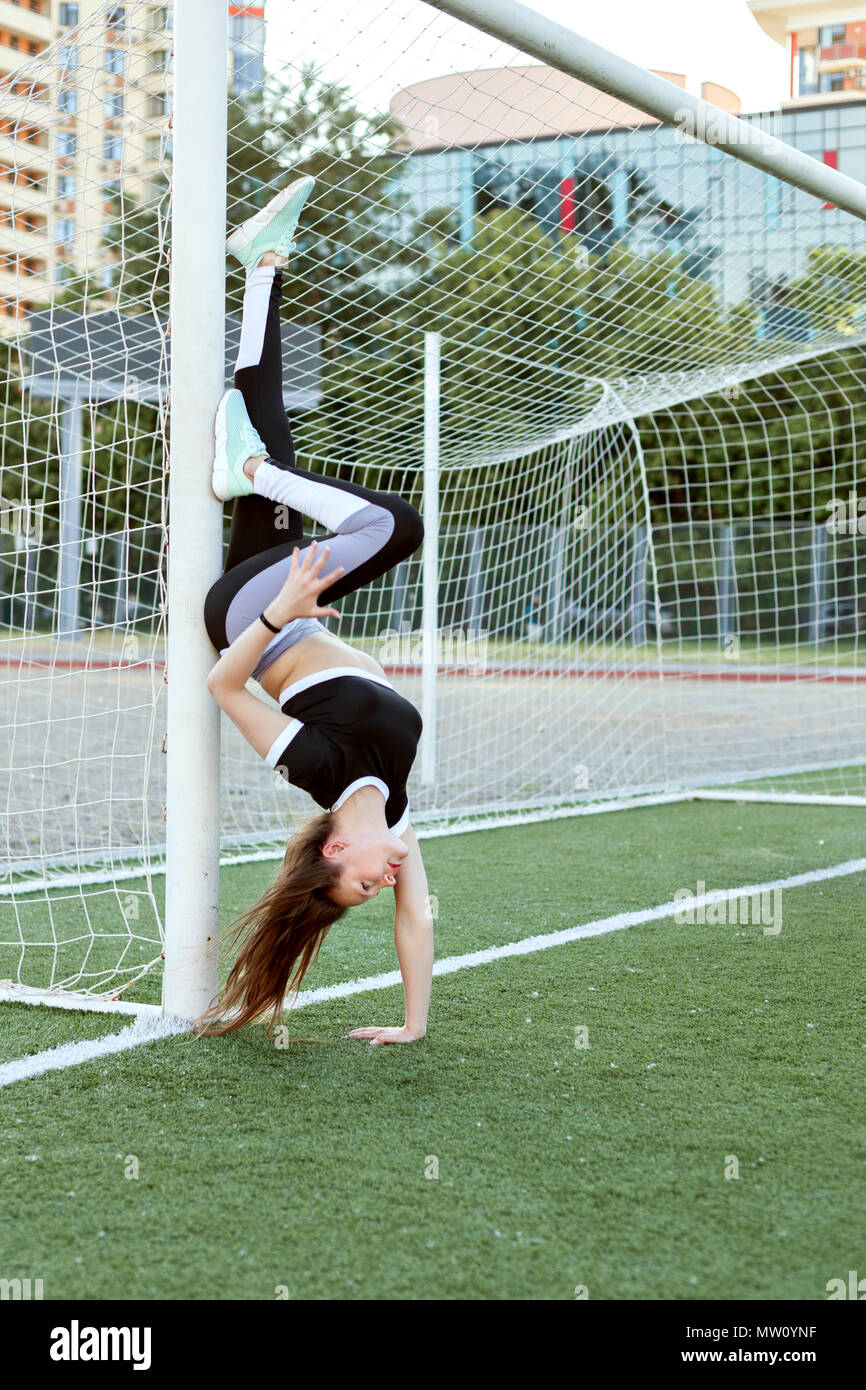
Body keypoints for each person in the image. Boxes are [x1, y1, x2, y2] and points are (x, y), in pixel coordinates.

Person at [197, 173, 433, 1043]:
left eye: (363, 884)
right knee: (268, 419)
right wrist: (411, 1027)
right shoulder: (396, 808)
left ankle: (247, 473)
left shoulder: (317, 771)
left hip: (251, 614)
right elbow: (420, 919)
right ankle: (263, 259)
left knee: (392, 524)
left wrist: (282, 606)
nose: (385, 884)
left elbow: (226, 688)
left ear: (334, 850)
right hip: (289, 600)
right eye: (378, 889)